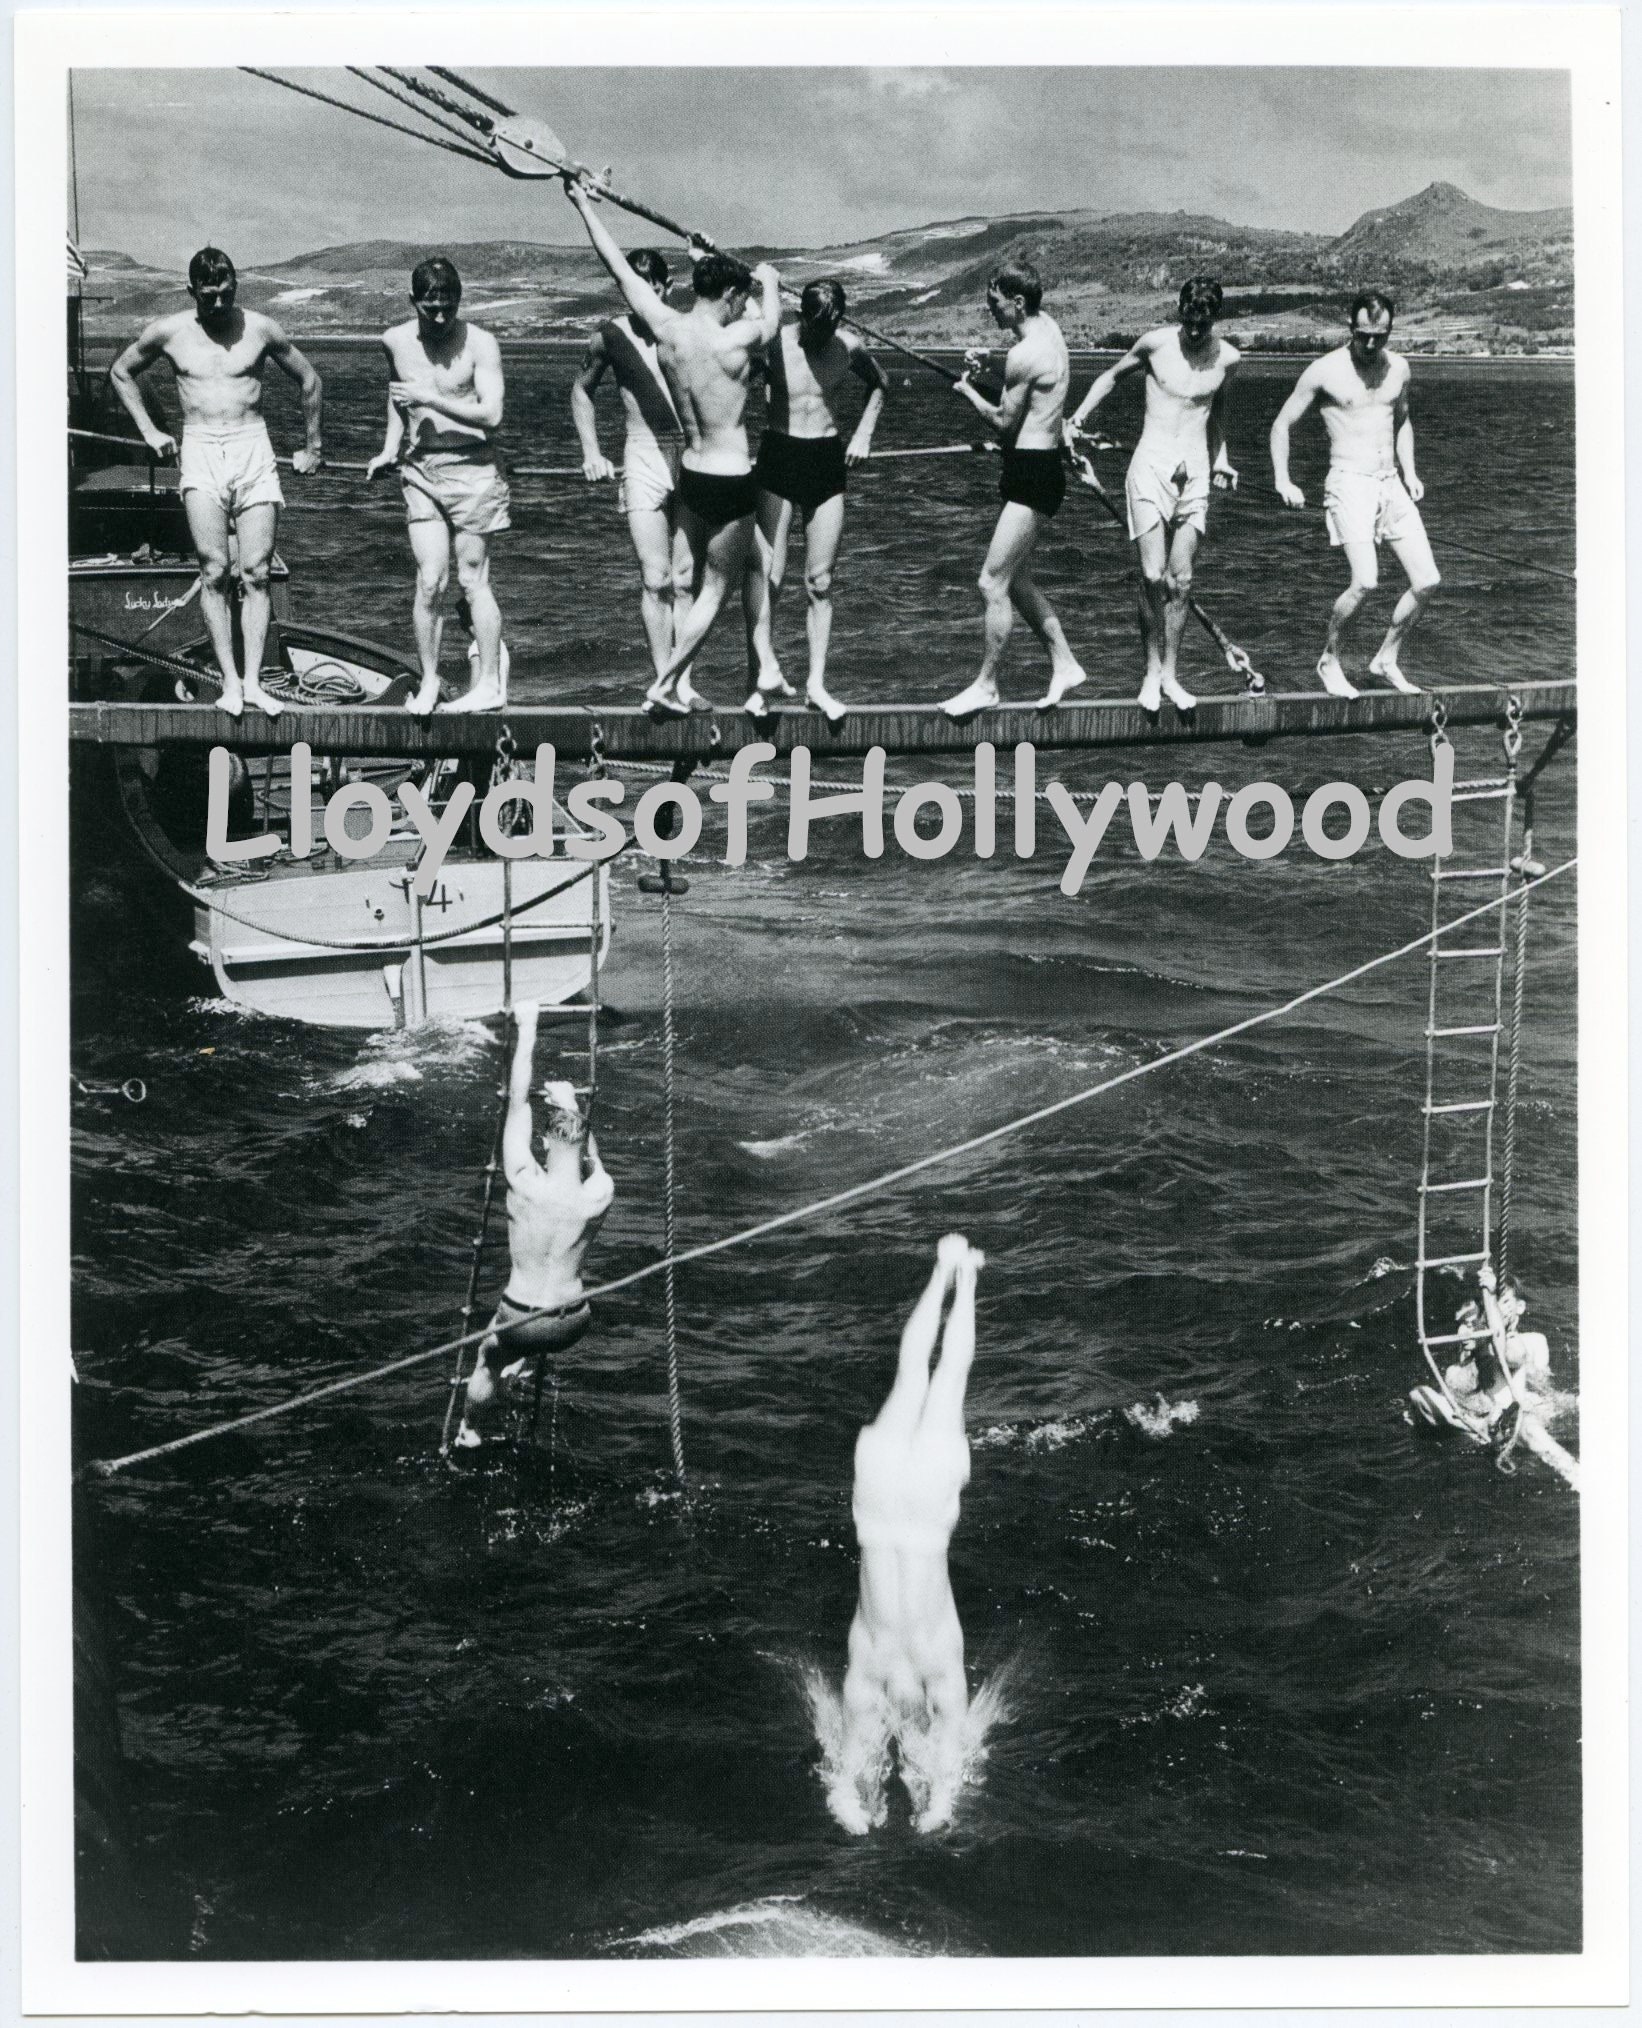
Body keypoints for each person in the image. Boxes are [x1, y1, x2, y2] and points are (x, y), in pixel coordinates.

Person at [566, 177, 781, 717]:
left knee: (686, 580)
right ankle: (667, 682)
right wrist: (770, 281)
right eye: (737, 299)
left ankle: (758, 666)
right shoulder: (737, 337)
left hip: (690, 472)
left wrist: (583, 206)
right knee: (714, 590)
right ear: (731, 296)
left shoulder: (667, 329)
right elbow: (769, 323)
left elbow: (616, 265)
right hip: (732, 478)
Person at [109, 246, 324, 719]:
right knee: (213, 571)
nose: (221, 305)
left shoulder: (261, 328)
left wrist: (313, 446)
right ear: (193, 293)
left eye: (228, 294)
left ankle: (253, 684)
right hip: (201, 450)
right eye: (210, 298)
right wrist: (149, 431)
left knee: (258, 572)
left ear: (236, 287)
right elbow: (121, 371)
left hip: (253, 447)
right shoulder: (170, 332)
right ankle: (229, 682)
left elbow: (309, 379)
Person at [832, 1235, 983, 1835]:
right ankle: (956, 1274)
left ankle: (954, 1272)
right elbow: (948, 1747)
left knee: (935, 1377)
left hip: (899, 1509)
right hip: (890, 1505)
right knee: (929, 1375)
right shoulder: (915, 1662)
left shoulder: (872, 1667)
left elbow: (852, 1763)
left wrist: (856, 1801)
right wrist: (936, 1803)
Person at [1065, 276, 1240, 714]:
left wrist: (1223, 460)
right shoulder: (1155, 345)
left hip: (1195, 473)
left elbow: (1215, 415)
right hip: (1150, 468)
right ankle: (1149, 672)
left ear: (1214, 319)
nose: (1194, 332)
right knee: (1152, 576)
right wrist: (1077, 419)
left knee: (1181, 582)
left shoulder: (1229, 359)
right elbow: (1110, 377)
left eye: (1203, 324)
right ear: (1180, 311)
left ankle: (1171, 676)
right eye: (1188, 321)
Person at [454, 1002, 614, 1450]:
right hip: (573, 1322)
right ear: (582, 1141)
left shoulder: (524, 1180)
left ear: (544, 1141)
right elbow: (593, 1157)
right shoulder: (599, 1192)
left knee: (486, 1357)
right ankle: (519, 1364)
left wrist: (528, 1027)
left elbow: (518, 1100)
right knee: (520, 1347)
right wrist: (572, 1104)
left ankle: (471, 1431)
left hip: (521, 1317)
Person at [1268, 292, 1441, 698]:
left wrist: (1410, 472)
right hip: (1349, 481)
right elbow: (1281, 425)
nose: (1370, 345)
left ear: (1389, 332)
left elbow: (1402, 421)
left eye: (1379, 336)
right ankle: (1329, 659)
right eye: (1363, 335)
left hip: (1390, 483)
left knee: (1428, 580)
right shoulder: (1324, 371)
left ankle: (1385, 659)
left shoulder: (1399, 367)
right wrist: (1283, 479)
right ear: (1351, 328)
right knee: (1365, 580)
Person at [939, 263, 1088, 719]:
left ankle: (987, 685)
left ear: (1017, 302)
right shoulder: (1050, 330)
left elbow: (1005, 424)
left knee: (991, 581)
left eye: (995, 305)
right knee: (1018, 582)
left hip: (1031, 474)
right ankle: (1065, 664)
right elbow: (1034, 406)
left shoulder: (1024, 356)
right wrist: (987, 381)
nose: (991, 313)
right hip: (1040, 469)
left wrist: (966, 390)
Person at [364, 257, 511, 716]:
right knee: (429, 581)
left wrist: (431, 397)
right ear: (414, 303)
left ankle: (489, 684)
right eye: (431, 308)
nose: (442, 317)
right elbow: (398, 398)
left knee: (472, 580)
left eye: (449, 306)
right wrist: (390, 448)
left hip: (475, 472)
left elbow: (492, 415)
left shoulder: (481, 345)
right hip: (421, 471)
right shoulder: (394, 341)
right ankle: (428, 680)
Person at [744, 279, 889, 725]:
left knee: (821, 581)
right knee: (769, 572)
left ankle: (816, 686)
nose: (821, 336)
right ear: (801, 316)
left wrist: (865, 431)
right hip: (780, 454)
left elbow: (880, 384)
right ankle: (759, 684)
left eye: (830, 328)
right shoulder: (776, 342)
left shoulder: (849, 346)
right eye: (814, 327)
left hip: (825, 459)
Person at [569, 251, 705, 708]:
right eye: (635, 287)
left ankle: (682, 682)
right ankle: (661, 681)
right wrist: (591, 451)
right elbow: (581, 392)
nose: (642, 296)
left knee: (686, 580)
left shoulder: (686, 328)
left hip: (691, 455)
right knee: (655, 577)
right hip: (642, 454)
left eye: (652, 287)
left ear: (667, 289)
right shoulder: (609, 336)